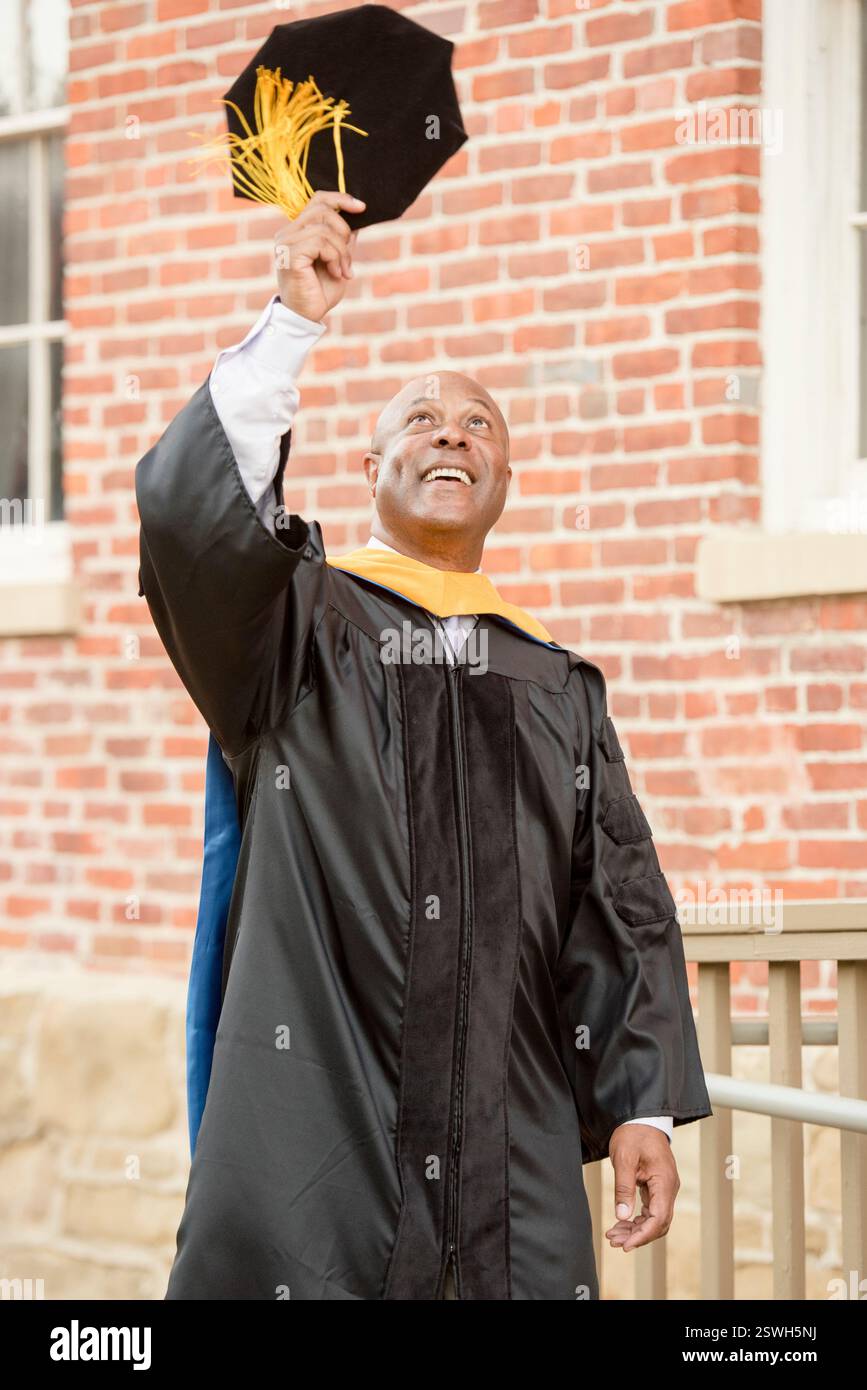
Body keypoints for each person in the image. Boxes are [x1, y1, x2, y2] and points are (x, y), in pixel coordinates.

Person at [136, 191, 712, 1301]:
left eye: (480, 422)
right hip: (319, 1136)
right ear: (367, 473)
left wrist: (642, 1104)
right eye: (419, 418)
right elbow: (196, 531)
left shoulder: (556, 682)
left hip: (516, 1151)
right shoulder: (300, 628)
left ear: (504, 480)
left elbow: (621, 901)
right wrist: (291, 322)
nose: (453, 430)